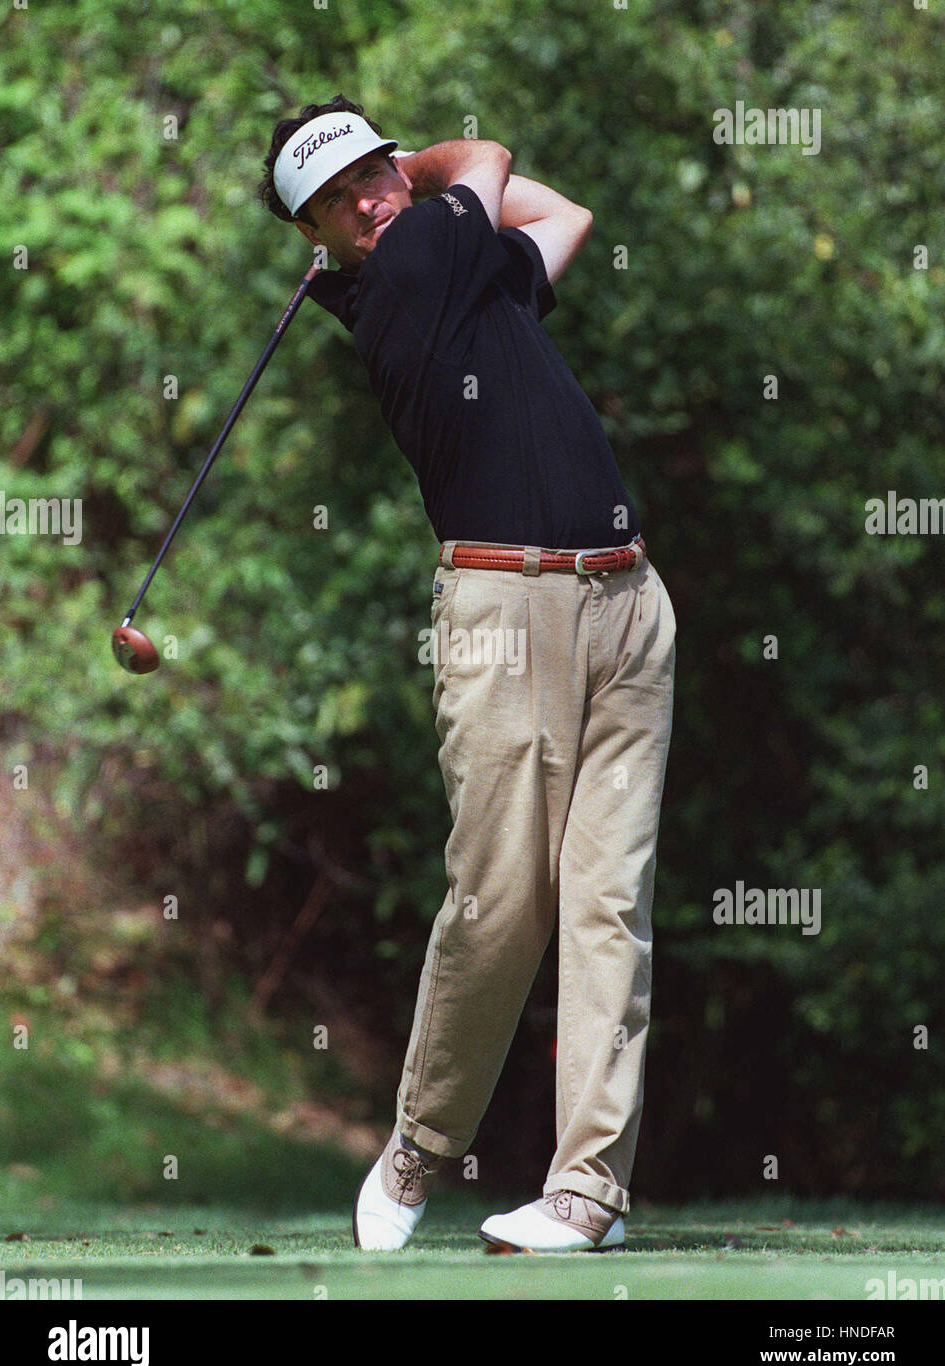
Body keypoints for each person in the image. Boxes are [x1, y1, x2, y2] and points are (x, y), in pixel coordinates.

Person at [259, 94, 676, 1253]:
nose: (371, 199)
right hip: (507, 611)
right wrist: (426, 162)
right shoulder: (399, 277)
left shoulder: (457, 271)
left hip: (627, 601)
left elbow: (565, 214)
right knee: (499, 901)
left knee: (607, 910)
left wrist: (399, 166)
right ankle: (419, 1144)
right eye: (340, 199)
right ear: (325, 240)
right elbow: (494, 156)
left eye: (375, 174)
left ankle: (585, 1191)